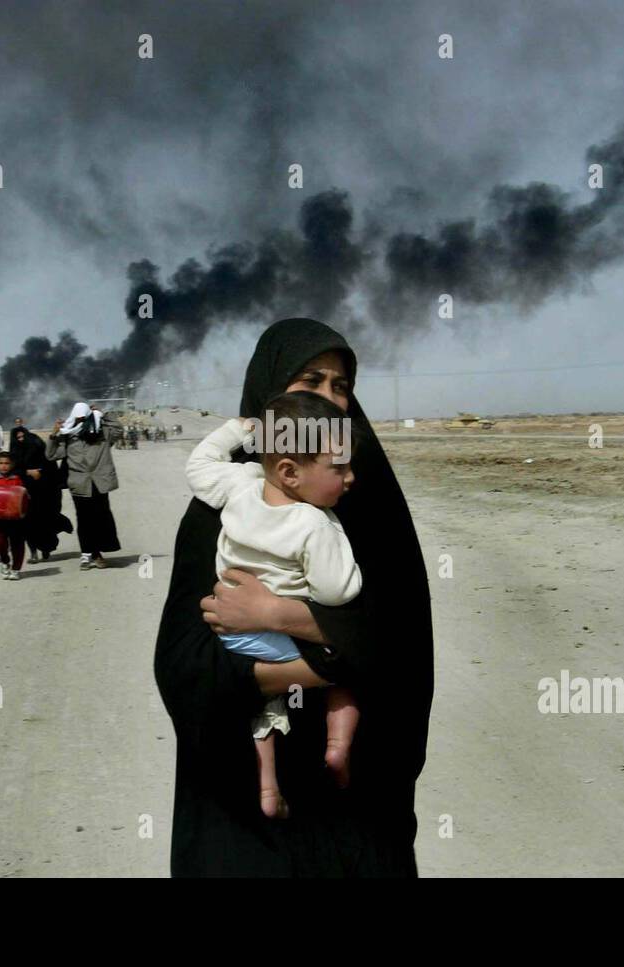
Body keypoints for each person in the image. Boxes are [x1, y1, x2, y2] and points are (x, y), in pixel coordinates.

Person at [154, 317, 434, 877]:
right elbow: (183, 667)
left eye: (342, 386)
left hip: (358, 809)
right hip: (243, 813)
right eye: (311, 381)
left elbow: (404, 650)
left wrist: (287, 621)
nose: (331, 397)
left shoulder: (370, 508)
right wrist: (340, 653)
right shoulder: (221, 512)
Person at [185, 390, 362, 820]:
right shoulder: (313, 523)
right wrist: (339, 538)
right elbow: (337, 592)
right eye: (339, 467)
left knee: (261, 710)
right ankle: (338, 747)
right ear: (289, 471)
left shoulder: (240, 486)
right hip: (288, 642)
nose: (351, 477)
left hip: (233, 638)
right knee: (352, 669)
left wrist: (235, 430)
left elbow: (199, 466)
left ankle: (267, 786)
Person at [48, 402, 122, 570]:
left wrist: (103, 414)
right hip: (79, 485)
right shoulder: (68, 437)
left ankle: (97, 553)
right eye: (78, 418)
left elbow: (118, 430)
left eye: (85, 418)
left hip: (99, 483)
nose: (81, 421)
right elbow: (51, 455)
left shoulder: (102, 434)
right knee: (84, 520)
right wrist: (54, 434)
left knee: (101, 518)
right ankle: (87, 554)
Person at [9, 423, 67, 563]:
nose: (21, 439)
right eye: (18, 437)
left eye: (23, 436)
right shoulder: (15, 453)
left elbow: (51, 465)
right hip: (26, 495)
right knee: (28, 524)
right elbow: (12, 471)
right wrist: (27, 472)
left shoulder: (38, 447)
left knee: (45, 522)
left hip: (45, 493)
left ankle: (45, 549)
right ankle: (33, 552)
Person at [0, 451, 27, 581]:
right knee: (1, 544)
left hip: (15, 519)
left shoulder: (17, 480)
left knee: (17, 543)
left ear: (12, 465)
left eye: (7, 463)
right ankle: (5, 562)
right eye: (1, 463)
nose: (4, 466)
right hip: (1, 518)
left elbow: (22, 497)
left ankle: (16, 569)